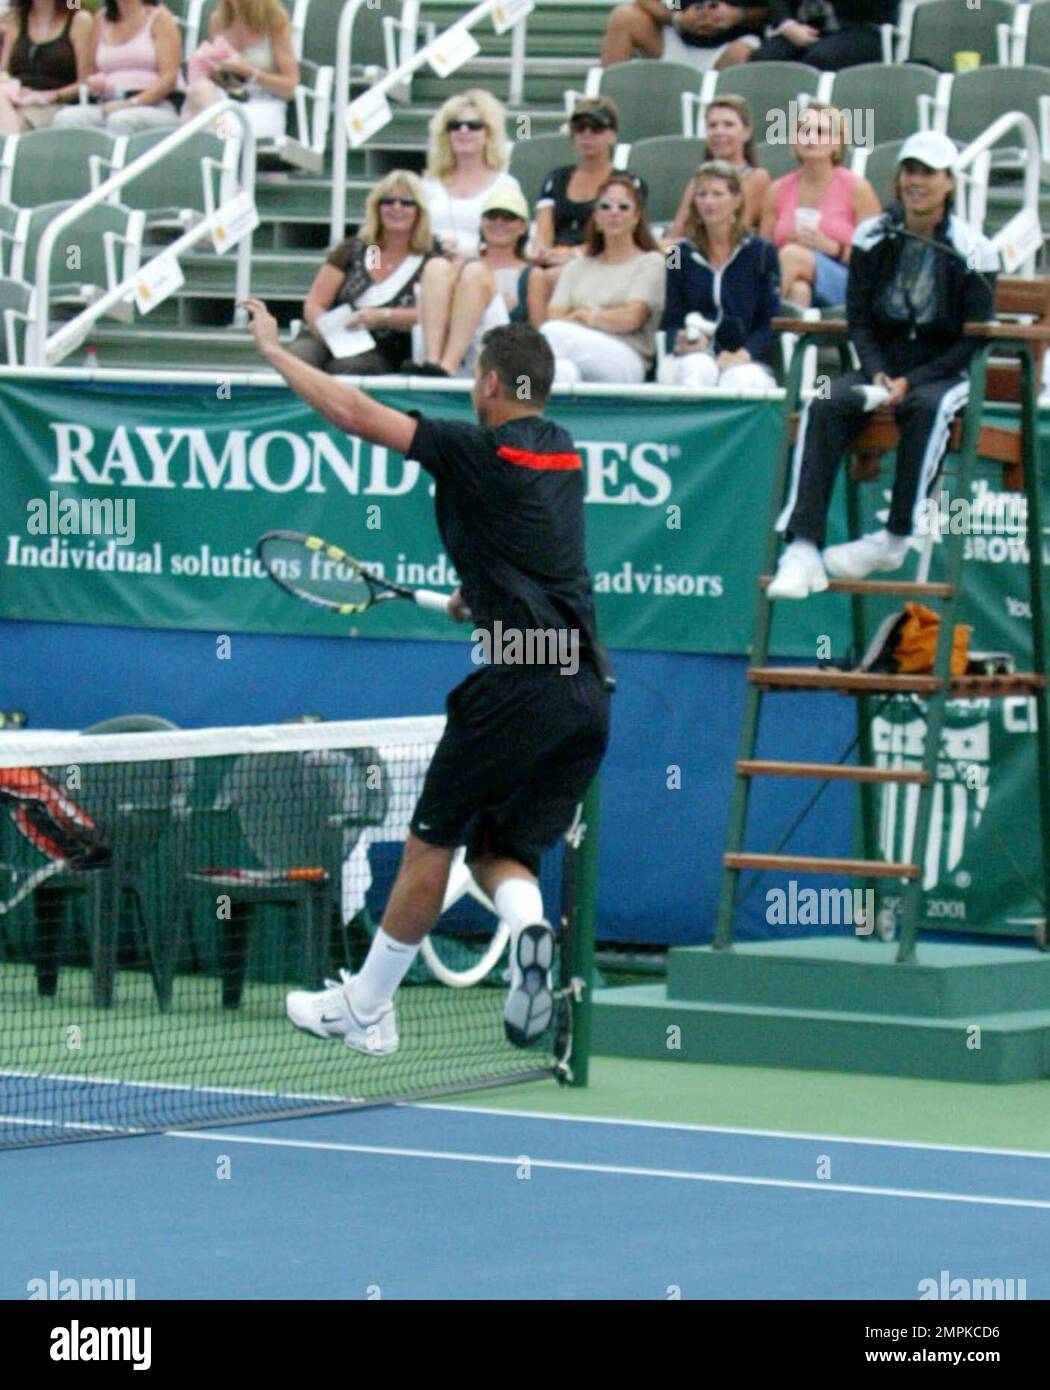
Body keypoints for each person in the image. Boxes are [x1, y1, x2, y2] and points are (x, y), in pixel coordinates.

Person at [243, 306, 612, 1055]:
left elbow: (354, 410)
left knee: (428, 849)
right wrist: (475, 602)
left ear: (489, 383)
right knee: (497, 851)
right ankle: (529, 928)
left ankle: (367, 1007)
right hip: (585, 693)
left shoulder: (476, 452)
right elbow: (531, 556)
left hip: (515, 682)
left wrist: (276, 354)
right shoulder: (565, 457)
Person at [767, 131, 998, 600]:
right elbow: (859, 317)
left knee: (928, 408)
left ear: (949, 182)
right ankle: (803, 544)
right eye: (910, 171)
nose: (916, 183)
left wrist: (911, 381)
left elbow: (973, 338)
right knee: (824, 402)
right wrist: (876, 371)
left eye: (928, 173)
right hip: (880, 366)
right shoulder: (873, 235)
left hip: (943, 370)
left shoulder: (974, 248)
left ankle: (897, 536)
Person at [286, 171, 435, 376]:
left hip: (383, 347)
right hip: (332, 335)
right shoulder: (359, 249)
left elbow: (434, 315)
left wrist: (384, 317)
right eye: (388, 201)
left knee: (349, 367)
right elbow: (315, 302)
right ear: (377, 207)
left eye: (406, 202)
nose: (396, 207)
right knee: (299, 356)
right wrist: (327, 332)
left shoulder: (430, 259)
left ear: (419, 210)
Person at [659, 160, 779, 390]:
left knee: (740, 380)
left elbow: (769, 322)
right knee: (699, 369)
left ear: (736, 200)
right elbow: (671, 318)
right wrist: (681, 339)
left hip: (745, 359)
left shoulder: (763, 252)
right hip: (693, 356)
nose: (708, 202)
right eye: (702, 195)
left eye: (717, 194)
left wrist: (743, 355)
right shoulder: (676, 253)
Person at [541, 176, 666, 384]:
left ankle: (523, 394)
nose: (614, 213)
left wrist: (585, 316)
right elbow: (556, 315)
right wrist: (605, 318)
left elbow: (631, 318)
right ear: (596, 217)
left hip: (628, 357)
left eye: (624, 207)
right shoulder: (576, 267)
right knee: (563, 370)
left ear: (636, 217)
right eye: (605, 207)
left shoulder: (651, 263)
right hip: (577, 350)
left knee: (551, 334)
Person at [531, 96, 647, 320]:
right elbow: (544, 229)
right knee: (535, 274)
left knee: (551, 278)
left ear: (611, 135)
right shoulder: (555, 178)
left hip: (602, 257)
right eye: (579, 128)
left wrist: (574, 254)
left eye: (596, 128)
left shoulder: (627, 182)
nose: (587, 135)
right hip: (557, 257)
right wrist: (544, 253)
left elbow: (626, 233)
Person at [759, 101, 879, 309]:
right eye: (804, 131)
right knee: (799, 290)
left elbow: (877, 259)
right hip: (791, 275)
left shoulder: (857, 189)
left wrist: (833, 248)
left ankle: (750, 324)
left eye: (821, 132)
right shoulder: (777, 190)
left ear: (837, 143)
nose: (811, 138)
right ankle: (793, 341)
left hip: (847, 280)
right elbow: (761, 254)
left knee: (792, 255)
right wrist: (785, 241)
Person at [412, 184, 539, 378]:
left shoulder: (533, 274)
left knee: (475, 273)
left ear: (522, 226)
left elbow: (538, 334)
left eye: (508, 217)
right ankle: (433, 361)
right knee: (436, 266)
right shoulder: (457, 264)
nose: (499, 222)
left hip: (503, 352)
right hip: (452, 342)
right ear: (482, 222)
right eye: (492, 216)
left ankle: (448, 366)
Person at [52, 0, 183, 135]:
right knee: (67, 118)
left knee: (121, 120)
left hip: (155, 105)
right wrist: (96, 84)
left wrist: (132, 103)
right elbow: (89, 73)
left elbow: (169, 78)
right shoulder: (100, 19)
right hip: (108, 103)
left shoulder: (160, 17)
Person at [420, 88, 522, 260]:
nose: (463, 131)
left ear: (488, 134)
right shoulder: (427, 185)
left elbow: (515, 242)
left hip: (484, 270)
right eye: (455, 126)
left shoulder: (506, 186)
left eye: (473, 126)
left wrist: (472, 253)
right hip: (432, 266)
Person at [181, 0, 298, 141]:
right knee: (201, 89)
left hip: (263, 101)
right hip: (226, 96)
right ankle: (222, 139)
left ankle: (221, 141)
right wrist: (213, 66)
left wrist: (249, 73)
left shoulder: (274, 19)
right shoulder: (219, 19)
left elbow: (290, 87)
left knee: (206, 122)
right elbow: (216, 78)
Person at [666, 95, 771, 238]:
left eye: (728, 125)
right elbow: (676, 236)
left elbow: (734, 235)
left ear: (746, 132)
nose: (719, 132)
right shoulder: (698, 181)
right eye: (712, 125)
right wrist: (669, 258)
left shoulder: (757, 178)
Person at [0, 0, 93, 134]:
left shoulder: (79, 20)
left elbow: (86, 82)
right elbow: (4, 72)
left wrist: (53, 95)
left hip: (54, 103)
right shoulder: (16, 20)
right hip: (16, 98)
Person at [601, 1, 768, 70]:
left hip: (728, 47)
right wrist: (676, 17)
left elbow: (771, 10)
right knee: (623, 17)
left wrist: (737, 15)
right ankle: (603, 108)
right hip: (678, 39)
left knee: (742, 50)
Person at [735, 1, 898, 71]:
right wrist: (786, 24)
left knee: (820, 58)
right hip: (803, 27)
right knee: (765, 58)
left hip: (861, 28)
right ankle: (770, 132)